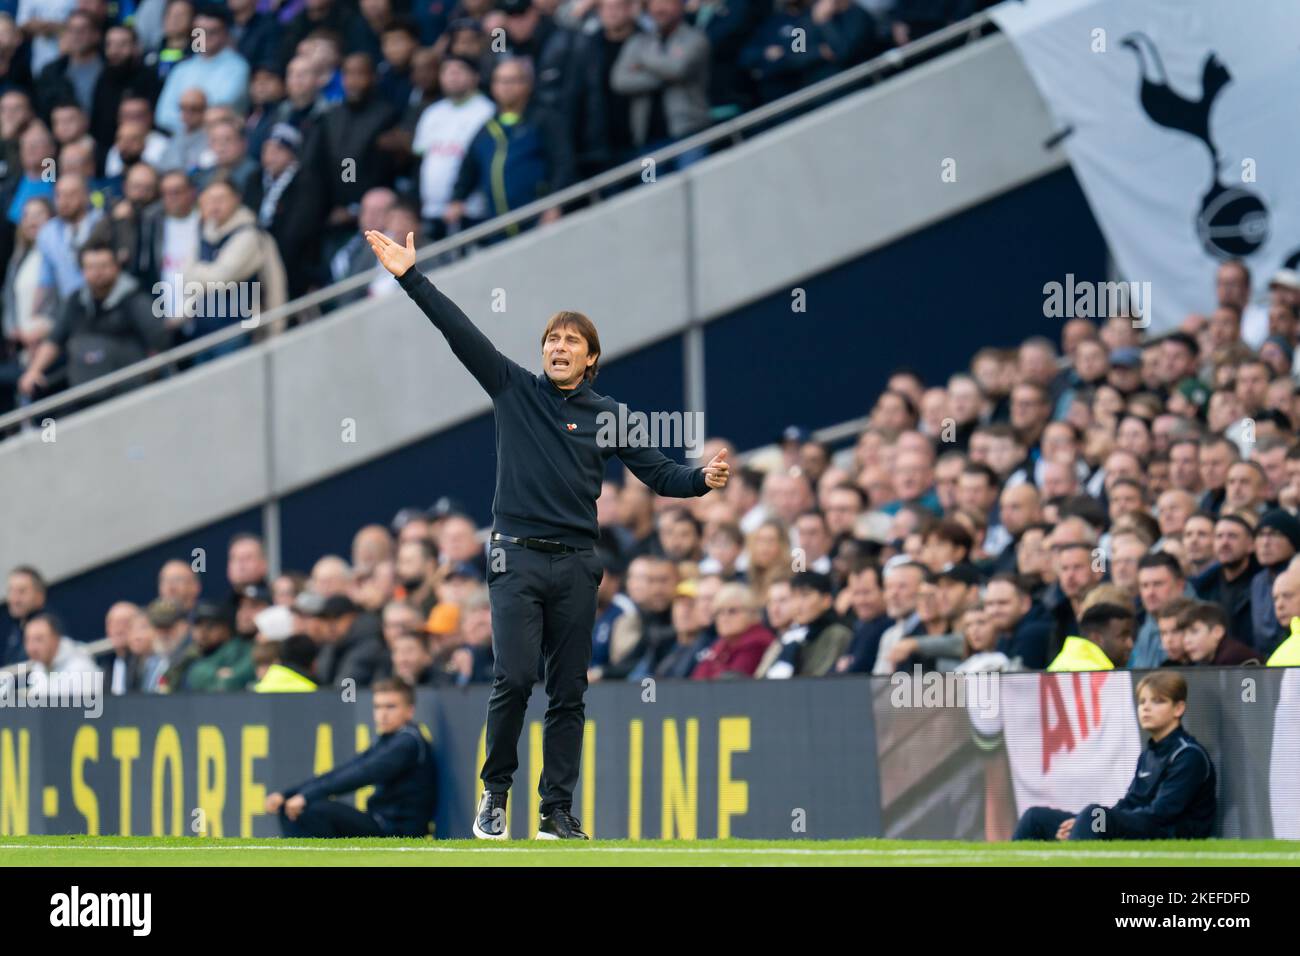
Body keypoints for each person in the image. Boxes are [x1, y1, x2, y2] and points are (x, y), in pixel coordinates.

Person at [366, 227, 730, 840]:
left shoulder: (611, 416)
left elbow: (661, 473)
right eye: (551, 338)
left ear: (590, 358)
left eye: (572, 340)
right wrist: (410, 277)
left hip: (579, 564)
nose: (559, 346)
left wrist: (702, 480)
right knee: (512, 676)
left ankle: (556, 811)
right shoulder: (513, 390)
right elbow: (459, 333)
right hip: (516, 558)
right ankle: (495, 794)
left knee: (569, 691)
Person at [1013, 671, 1216, 840]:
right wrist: (1091, 821)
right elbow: (1131, 801)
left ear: (1178, 708)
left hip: (1169, 832)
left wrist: (1105, 820)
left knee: (1094, 816)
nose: (1146, 707)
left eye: (1157, 701)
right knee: (1035, 818)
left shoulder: (1188, 755)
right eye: (1142, 701)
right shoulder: (1149, 753)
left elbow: (1161, 813)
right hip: (1142, 824)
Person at [265, 678, 437, 837]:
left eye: (390, 707)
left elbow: (361, 774)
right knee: (288, 806)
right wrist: (289, 794)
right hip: (378, 821)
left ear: (410, 710)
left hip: (397, 832)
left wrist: (306, 796)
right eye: (377, 707)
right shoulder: (386, 739)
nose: (382, 714)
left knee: (314, 810)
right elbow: (347, 769)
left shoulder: (408, 742)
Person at [1046, 602, 1135, 672]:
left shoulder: (1057, 666)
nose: (1130, 644)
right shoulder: (1101, 676)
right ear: (1096, 638)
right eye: (1123, 636)